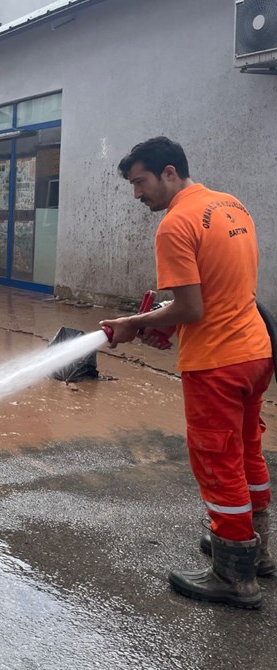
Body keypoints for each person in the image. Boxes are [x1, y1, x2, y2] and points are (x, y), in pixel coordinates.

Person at [100, 136, 274, 609]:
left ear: (170, 172)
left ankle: (233, 574)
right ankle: (256, 550)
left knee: (217, 462)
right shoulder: (231, 205)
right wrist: (166, 316)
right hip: (256, 352)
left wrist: (134, 323)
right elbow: (223, 290)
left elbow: (192, 308)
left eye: (141, 182)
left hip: (217, 361)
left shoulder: (175, 224)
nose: (137, 194)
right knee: (246, 450)